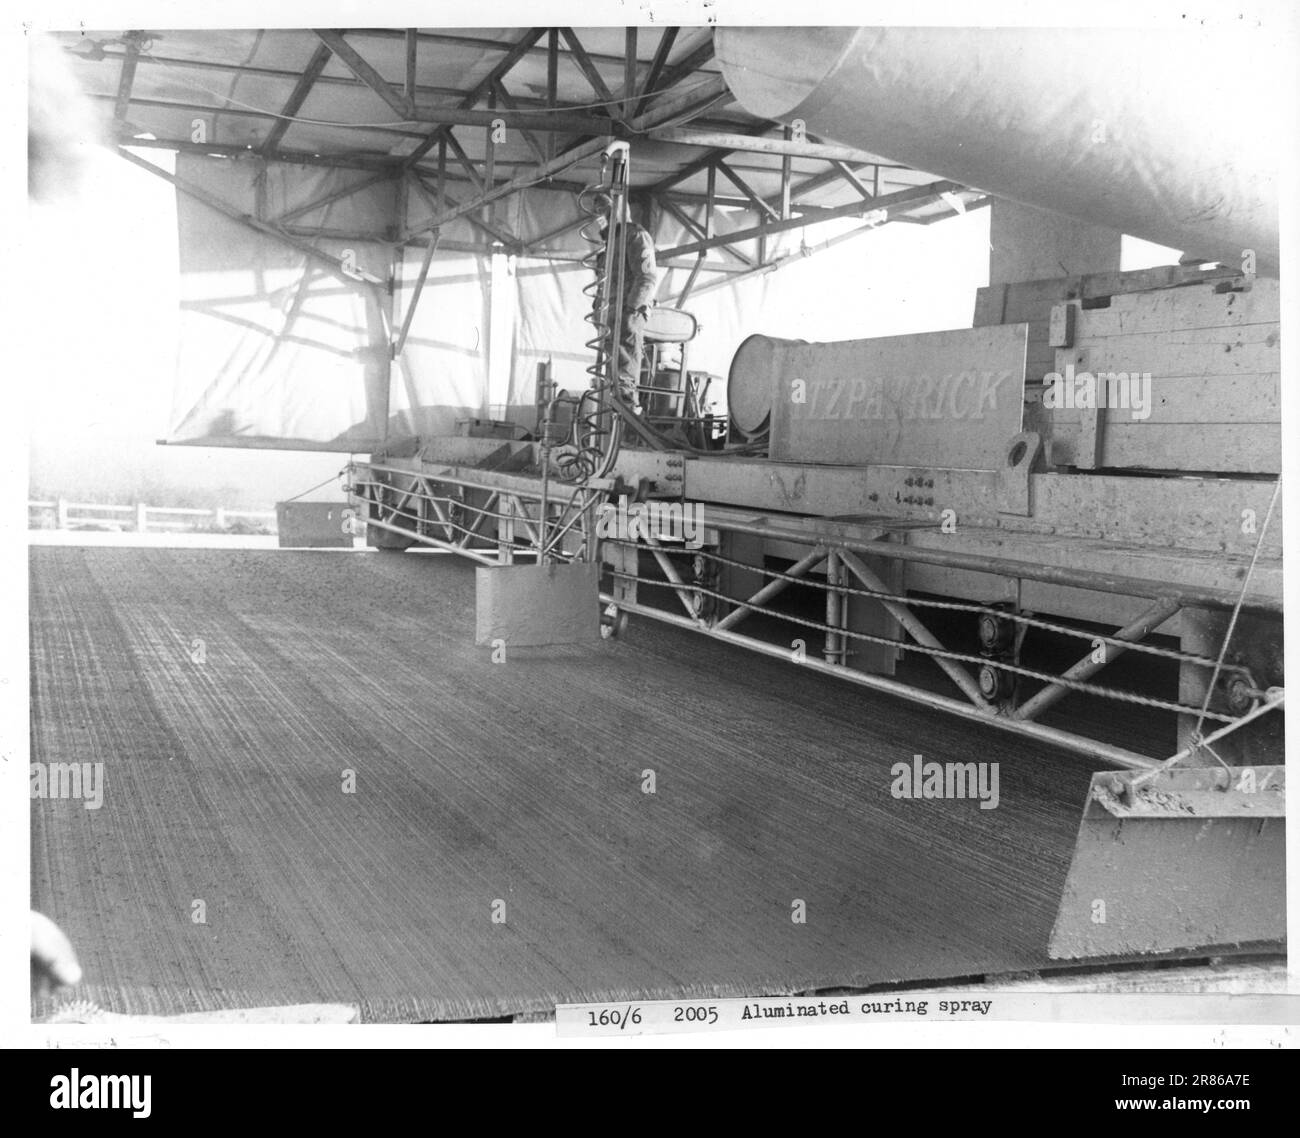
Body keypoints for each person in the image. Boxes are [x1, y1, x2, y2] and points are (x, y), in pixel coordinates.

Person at [593, 202, 659, 405]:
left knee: (624, 379)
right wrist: (597, 309)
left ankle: (626, 409)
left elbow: (647, 277)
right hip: (609, 316)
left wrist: (631, 311)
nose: (599, 219)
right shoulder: (611, 245)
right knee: (611, 378)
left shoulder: (635, 236)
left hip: (625, 313)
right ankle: (616, 407)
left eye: (604, 213)